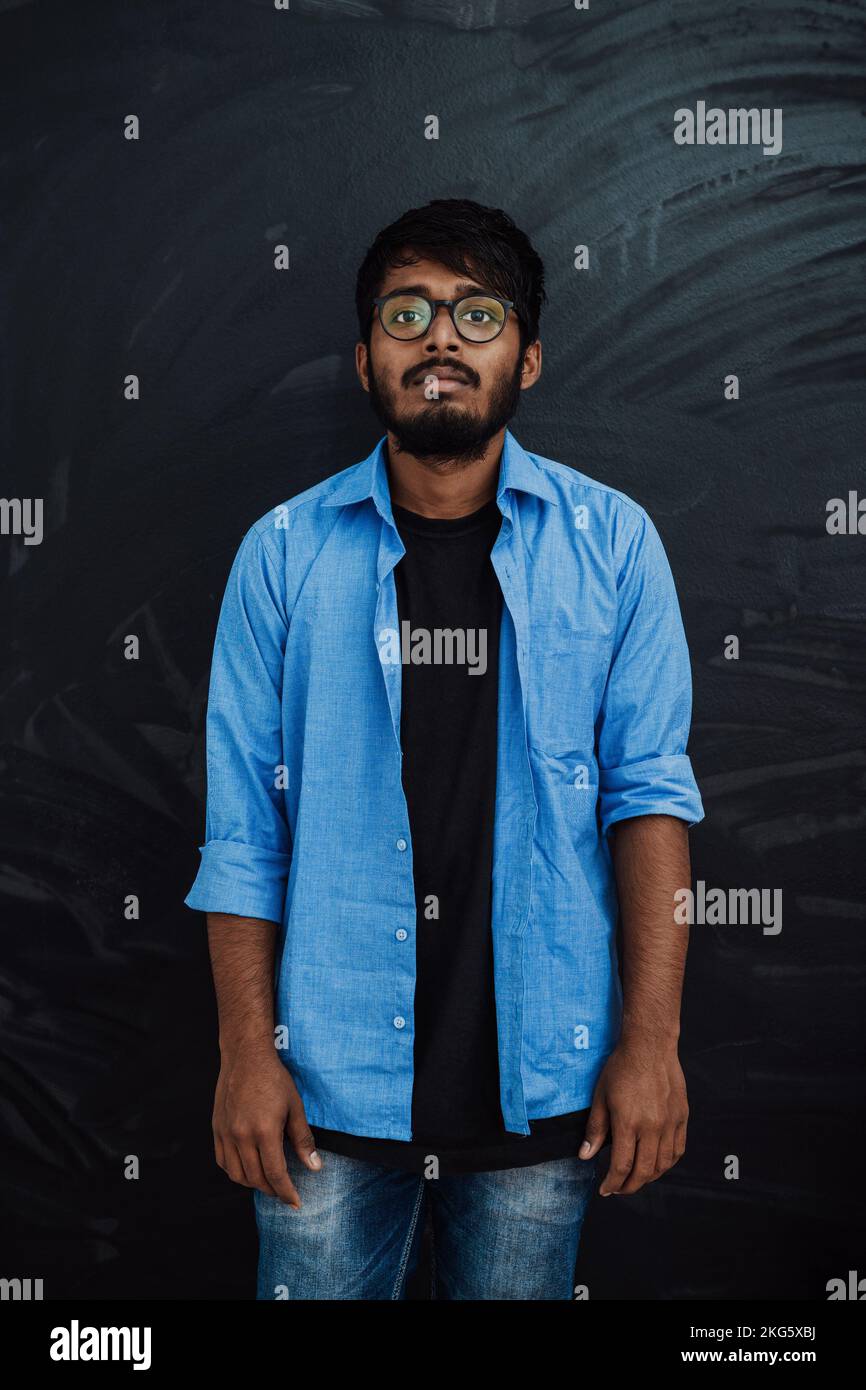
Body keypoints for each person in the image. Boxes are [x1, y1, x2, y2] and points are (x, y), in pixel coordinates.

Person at [184, 198, 705, 1300]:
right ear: (365, 356)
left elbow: (648, 801)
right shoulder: (280, 555)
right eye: (407, 312)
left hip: (542, 1086)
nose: (439, 341)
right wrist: (245, 1052)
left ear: (527, 357)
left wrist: (649, 1045)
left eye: (477, 315)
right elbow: (243, 827)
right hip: (323, 1092)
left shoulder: (611, 543)